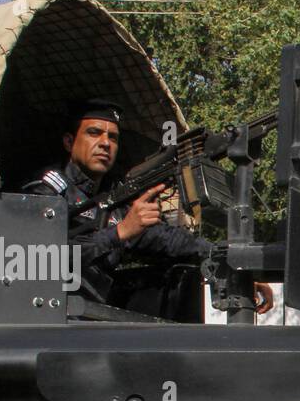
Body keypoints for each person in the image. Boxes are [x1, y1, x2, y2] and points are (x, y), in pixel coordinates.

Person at [24, 98, 273, 312]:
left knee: (180, 281)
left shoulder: (115, 200)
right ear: (69, 142)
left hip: (94, 313)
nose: (105, 143)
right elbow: (40, 257)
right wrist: (119, 233)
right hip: (47, 312)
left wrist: (233, 266)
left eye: (113, 137)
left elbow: (169, 240)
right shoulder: (45, 192)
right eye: (94, 133)